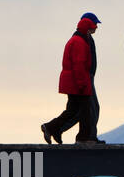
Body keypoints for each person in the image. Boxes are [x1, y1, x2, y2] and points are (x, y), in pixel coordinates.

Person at [41, 13, 104, 145]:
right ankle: (85, 138)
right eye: (94, 25)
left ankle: (53, 128)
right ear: (88, 27)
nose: (96, 28)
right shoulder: (80, 42)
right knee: (87, 110)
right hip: (79, 83)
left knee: (75, 110)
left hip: (77, 82)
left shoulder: (81, 40)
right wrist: (82, 84)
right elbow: (79, 65)